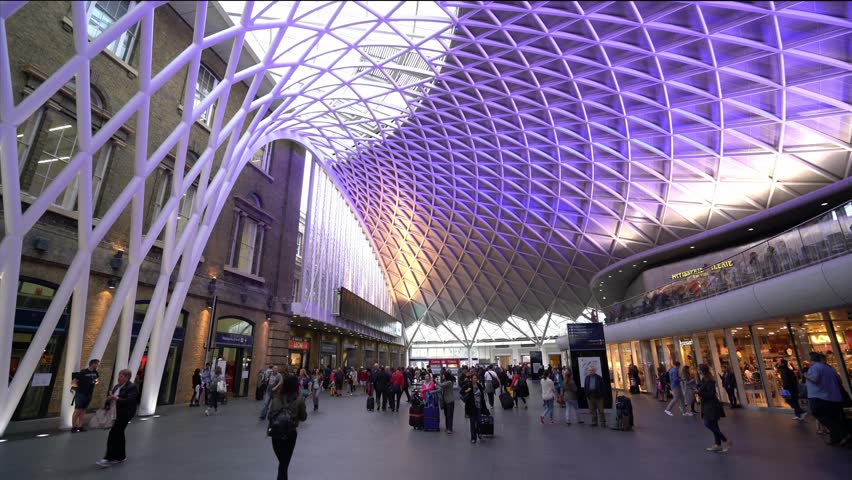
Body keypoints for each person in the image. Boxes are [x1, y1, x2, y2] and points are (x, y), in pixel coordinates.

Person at [803, 352, 852, 446]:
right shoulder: (829, 368)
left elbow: (815, 379)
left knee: (819, 415)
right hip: (834, 396)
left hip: (819, 396)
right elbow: (839, 380)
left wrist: (806, 375)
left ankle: (844, 434)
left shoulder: (814, 368)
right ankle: (835, 439)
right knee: (833, 417)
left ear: (811, 360)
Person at [96, 369, 138, 468]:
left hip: (124, 414)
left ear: (127, 377)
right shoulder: (116, 387)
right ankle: (121, 456)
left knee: (113, 434)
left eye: (121, 376)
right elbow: (111, 399)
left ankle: (108, 458)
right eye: (119, 376)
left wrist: (116, 398)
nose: (119, 378)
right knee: (119, 434)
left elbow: (130, 401)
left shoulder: (132, 387)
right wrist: (109, 400)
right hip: (114, 413)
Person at [269, 374, 307, 480]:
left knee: (283, 464)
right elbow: (303, 417)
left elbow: (270, 415)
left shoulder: (277, 397)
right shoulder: (299, 399)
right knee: (283, 465)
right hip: (290, 434)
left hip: (276, 434)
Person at [698, 364, 731, 453]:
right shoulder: (704, 379)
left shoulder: (709, 381)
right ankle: (717, 444)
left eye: (699, 370)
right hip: (708, 405)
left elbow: (711, 394)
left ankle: (725, 440)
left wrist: (699, 392)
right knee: (714, 425)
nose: (698, 371)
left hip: (711, 405)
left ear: (702, 371)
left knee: (708, 423)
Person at [72, 359, 100, 433]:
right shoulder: (83, 372)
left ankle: (80, 426)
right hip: (81, 393)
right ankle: (74, 426)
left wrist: (95, 382)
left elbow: (97, 380)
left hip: (89, 393)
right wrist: (79, 387)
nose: (98, 365)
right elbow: (74, 382)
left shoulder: (95, 372)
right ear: (93, 364)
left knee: (83, 410)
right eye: (97, 364)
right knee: (78, 410)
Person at [462, 373, 490, 444]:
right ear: (471, 379)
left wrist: (484, 407)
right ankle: (473, 438)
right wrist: (467, 390)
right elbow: (461, 392)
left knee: (479, 422)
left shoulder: (479, 385)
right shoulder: (468, 385)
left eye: (476, 378)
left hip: (479, 407)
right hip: (471, 407)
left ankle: (479, 433)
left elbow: (482, 397)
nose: (475, 379)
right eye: (474, 378)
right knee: (472, 423)